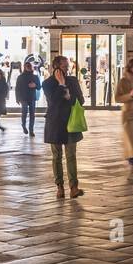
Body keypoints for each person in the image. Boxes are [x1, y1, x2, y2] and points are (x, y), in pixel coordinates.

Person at [43, 55, 85, 199]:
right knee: (56, 156)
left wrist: (70, 97)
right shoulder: (47, 83)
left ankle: (74, 187)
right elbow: (53, 101)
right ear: (56, 67)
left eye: (67, 66)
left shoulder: (73, 81)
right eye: (64, 66)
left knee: (71, 155)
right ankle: (59, 187)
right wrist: (61, 86)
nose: (67, 68)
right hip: (55, 123)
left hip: (71, 122)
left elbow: (81, 99)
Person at [15, 58, 41, 136]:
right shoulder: (20, 77)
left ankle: (31, 130)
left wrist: (35, 85)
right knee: (24, 112)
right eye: (27, 66)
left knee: (32, 114)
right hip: (23, 98)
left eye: (29, 66)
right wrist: (17, 98)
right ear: (24, 67)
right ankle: (23, 125)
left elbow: (39, 87)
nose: (28, 67)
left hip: (32, 97)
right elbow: (17, 88)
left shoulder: (35, 77)